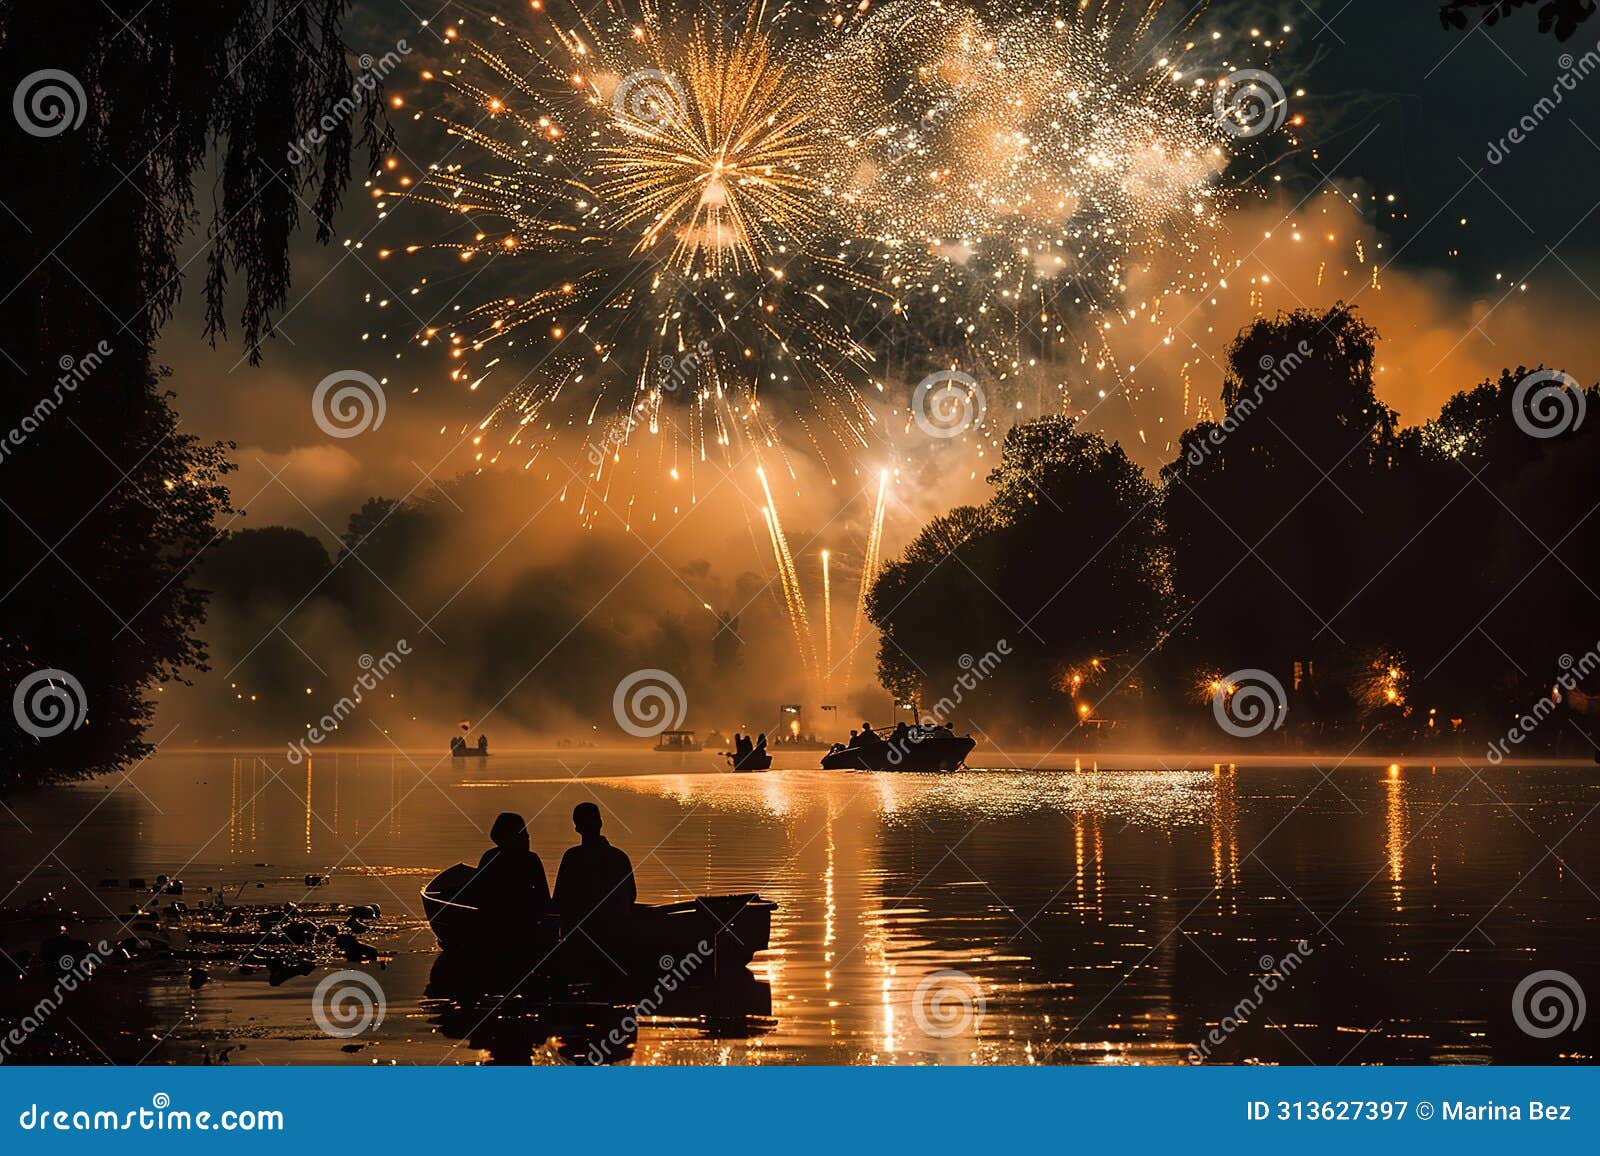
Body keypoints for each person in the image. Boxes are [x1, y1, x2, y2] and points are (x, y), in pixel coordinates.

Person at [554, 803, 636, 937]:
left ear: (577, 828)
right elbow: (631, 896)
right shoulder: (620, 857)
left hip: (578, 936)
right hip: (614, 935)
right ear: (600, 823)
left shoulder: (572, 857)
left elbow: (558, 900)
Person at [471, 812, 550, 922]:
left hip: (493, 919)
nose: (528, 836)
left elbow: (476, 894)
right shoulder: (531, 859)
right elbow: (544, 897)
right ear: (508, 837)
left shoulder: (489, 856)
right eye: (522, 832)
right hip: (523, 919)